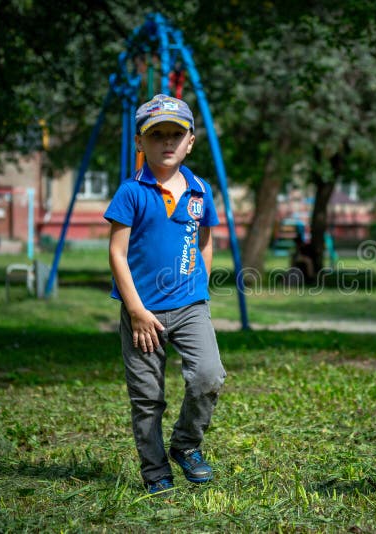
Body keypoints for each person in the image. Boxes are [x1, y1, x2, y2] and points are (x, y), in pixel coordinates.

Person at [105, 94, 226, 495]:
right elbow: (117, 254)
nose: (167, 142)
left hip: (190, 306)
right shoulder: (131, 192)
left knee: (208, 376)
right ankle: (155, 470)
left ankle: (186, 444)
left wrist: (200, 287)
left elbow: (206, 240)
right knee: (148, 397)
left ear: (191, 141)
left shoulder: (199, 189)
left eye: (176, 134)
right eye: (157, 135)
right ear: (140, 142)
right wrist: (136, 310)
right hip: (144, 313)